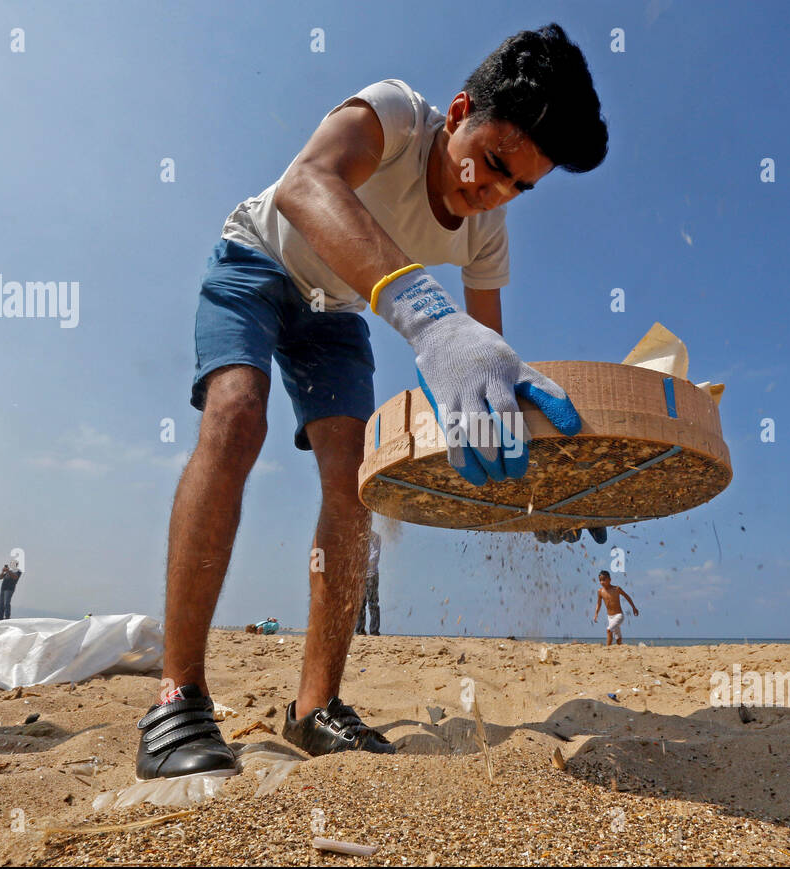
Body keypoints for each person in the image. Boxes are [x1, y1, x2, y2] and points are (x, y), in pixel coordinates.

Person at [135, 23, 609, 780]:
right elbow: (303, 186)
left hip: (336, 312)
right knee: (235, 416)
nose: (492, 193)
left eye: (520, 186)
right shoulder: (393, 114)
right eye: (491, 165)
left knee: (352, 481)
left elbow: (481, 374)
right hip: (258, 260)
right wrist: (427, 317)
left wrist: (545, 493)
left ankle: (314, 708)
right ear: (458, 114)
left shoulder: (487, 232)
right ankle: (177, 698)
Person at [592, 570, 638, 646]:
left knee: (609, 630)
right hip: (609, 617)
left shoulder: (616, 589)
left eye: (604, 580)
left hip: (619, 615)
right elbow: (599, 603)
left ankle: (607, 648)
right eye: (600, 580)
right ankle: (619, 646)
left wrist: (634, 607)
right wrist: (596, 614)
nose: (602, 582)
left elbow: (627, 596)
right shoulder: (600, 591)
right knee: (617, 634)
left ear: (609, 579)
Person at [355, 530, 381, 636]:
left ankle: (374, 631)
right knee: (360, 604)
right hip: (360, 575)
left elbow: (374, 557)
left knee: (373, 603)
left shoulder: (375, 537)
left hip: (371, 574)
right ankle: (360, 629)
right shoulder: (358, 536)